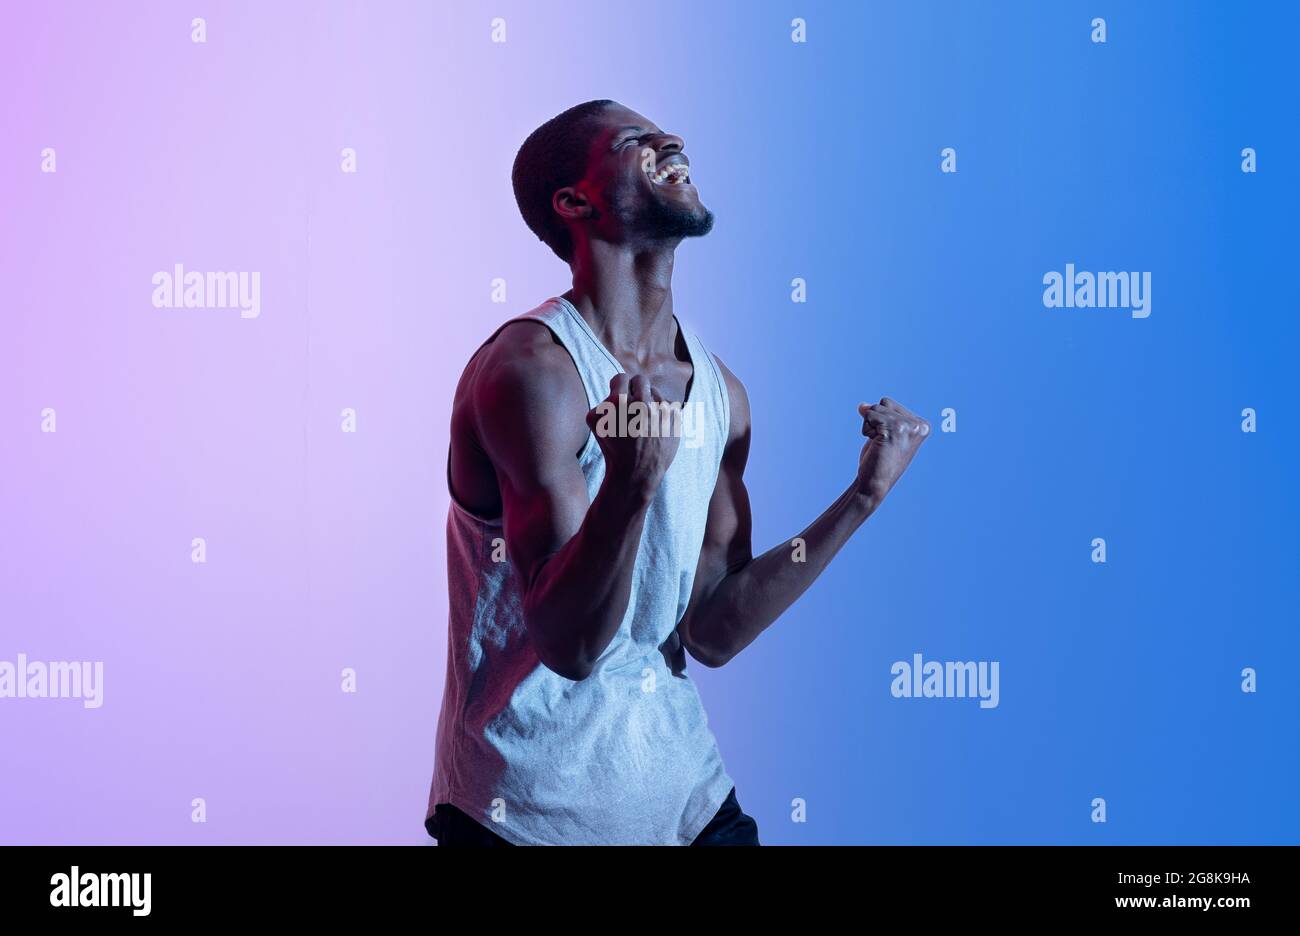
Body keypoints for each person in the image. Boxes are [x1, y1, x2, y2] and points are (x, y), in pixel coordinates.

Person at [426, 100, 930, 845]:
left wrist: (861, 499)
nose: (672, 141)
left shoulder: (722, 394)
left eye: (666, 133)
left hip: (687, 806)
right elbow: (570, 649)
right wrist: (630, 485)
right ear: (575, 201)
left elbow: (714, 629)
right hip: (522, 822)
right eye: (636, 141)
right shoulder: (531, 375)